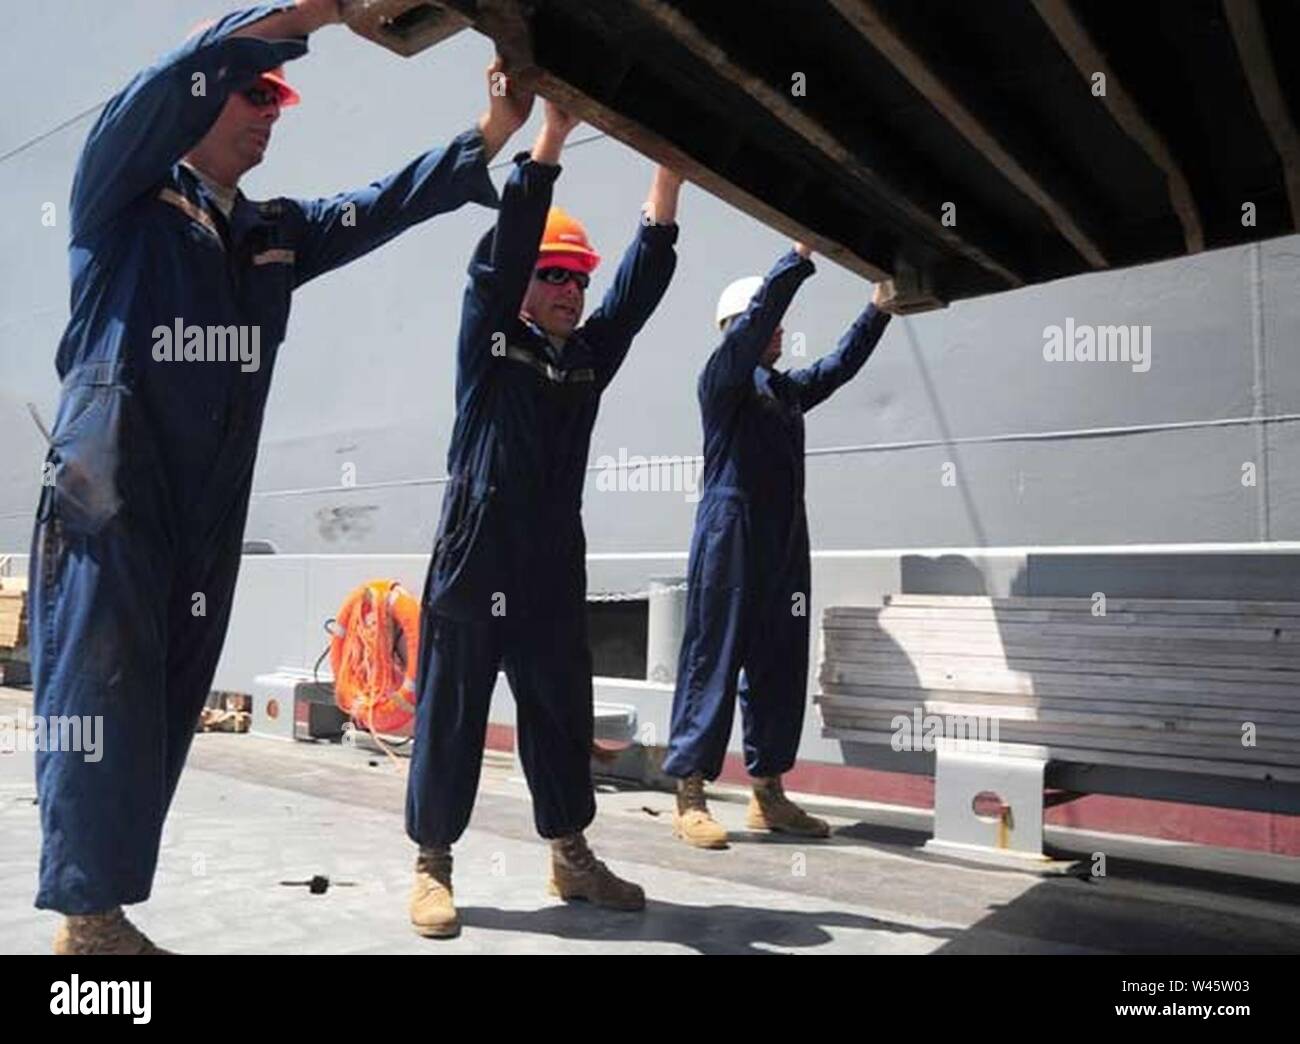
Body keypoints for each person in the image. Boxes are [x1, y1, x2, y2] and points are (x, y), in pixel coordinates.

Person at [30, 0, 521, 954]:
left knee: (169, 697)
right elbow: (182, 71)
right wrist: (329, 11)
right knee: (99, 698)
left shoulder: (270, 234)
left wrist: (496, 132)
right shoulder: (121, 195)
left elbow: (382, 206)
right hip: (112, 490)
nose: (271, 112)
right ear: (202, 103)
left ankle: (108, 907)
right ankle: (85, 917)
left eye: (278, 101)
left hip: (206, 506)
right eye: (257, 93)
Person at [405, 97, 684, 939]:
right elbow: (500, 265)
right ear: (524, 280)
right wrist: (551, 139)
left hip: (551, 564)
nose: (570, 287)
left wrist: (669, 175)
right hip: (475, 558)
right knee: (452, 715)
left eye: (578, 277)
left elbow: (638, 290)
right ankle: (432, 864)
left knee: (561, 709)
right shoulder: (491, 346)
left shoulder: (586, 360)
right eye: (554, 274)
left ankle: (571, 854)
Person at [663, 243, 891, 849]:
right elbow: (757, 323)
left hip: (784, 539)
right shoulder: (721, 382)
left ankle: (768, 794)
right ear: (735, 329)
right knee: (713, 659)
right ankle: (690, 792)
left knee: (778, 664)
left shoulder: (786, 394)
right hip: (729, 539)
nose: (780, 331)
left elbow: (839, 367)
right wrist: (796, 260)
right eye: (765, 321)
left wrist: (879, 310)